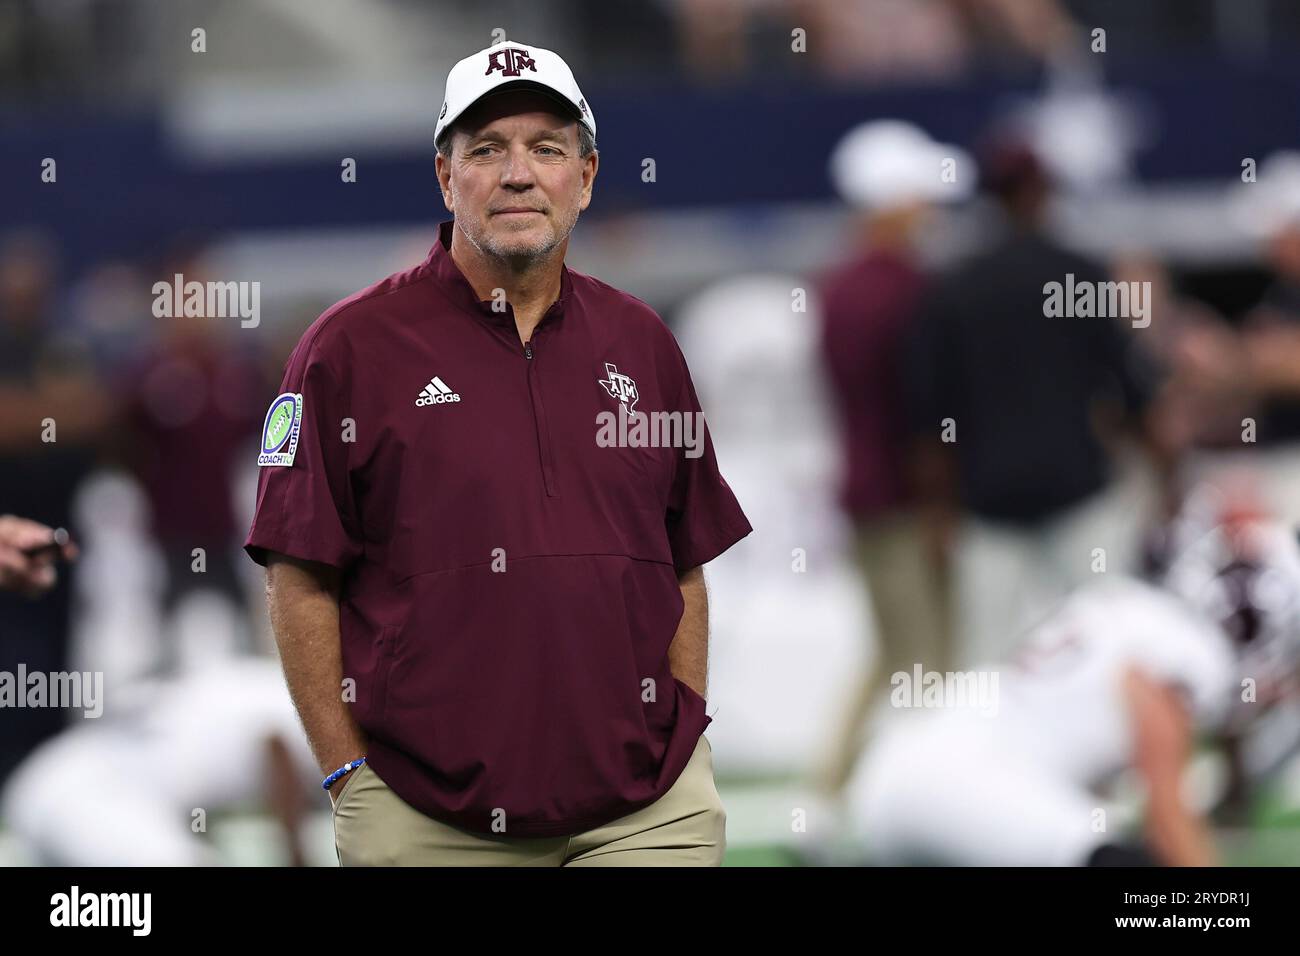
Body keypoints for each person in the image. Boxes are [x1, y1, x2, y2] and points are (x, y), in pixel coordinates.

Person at [244, 40, 751, 866]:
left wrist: (686, 718)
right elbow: (299, 576)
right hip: (429, 815)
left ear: (585, 178)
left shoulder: (644, 341)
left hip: (648, 808)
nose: (519, 174)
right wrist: (346, 773)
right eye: (486, 150)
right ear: (447, 180)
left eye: (546, 149)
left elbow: (683, 557)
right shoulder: (347, 349)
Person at [848, 490, 1300, 866]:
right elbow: (1168, 818)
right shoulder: (1181, 656)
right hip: (959, 790)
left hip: (894, 773)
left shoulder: (1121, 606)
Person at [812, 120, 967, 796]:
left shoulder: (838, 285)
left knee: (893, 652)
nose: (930, 210)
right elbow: (918, 416)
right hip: (902, 500)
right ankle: (921, 801)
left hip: (869, 492)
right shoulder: (902, 289)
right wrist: (939, 504)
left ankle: (825, 792)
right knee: (927, 664)